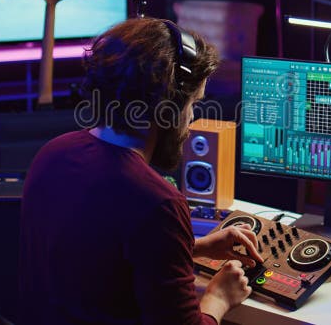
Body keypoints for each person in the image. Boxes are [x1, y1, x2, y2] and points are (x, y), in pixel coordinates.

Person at [19, 17, 263, 325]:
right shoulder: (157, 202)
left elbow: (98, 261)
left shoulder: (52, 154)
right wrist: (219, 296)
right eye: (192, 105)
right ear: (169, 106)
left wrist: (193, 248)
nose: (190, 122)